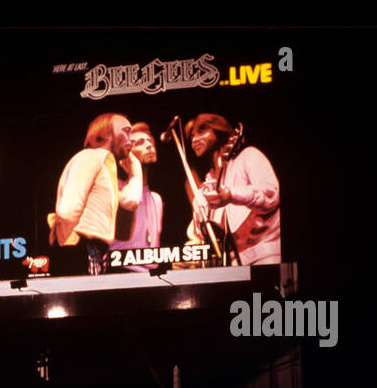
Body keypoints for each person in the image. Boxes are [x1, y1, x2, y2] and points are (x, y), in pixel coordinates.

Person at [51, 113, 143, 274]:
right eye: (126, 131)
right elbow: (68, 210)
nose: (132, 138)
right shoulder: (91, 157)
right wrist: (72, 241)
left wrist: (135, 174)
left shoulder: (105, 165)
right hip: (79, 248)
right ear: (105, 134)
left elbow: (130, 203)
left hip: (94, 250)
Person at [185, 112, 281, 265]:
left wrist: (231, 195)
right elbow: (203, 237)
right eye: (191, 136)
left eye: (201, 130)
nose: (195, 139)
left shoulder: (248, 157)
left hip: (266, 257)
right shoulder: (205, 188)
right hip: (233, 266)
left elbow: (271, 194)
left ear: (219, 129)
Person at [109, 122, 165, 271]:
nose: (148, 145)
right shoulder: (115, 188)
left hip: (151, 277)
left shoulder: (156, 199)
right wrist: (134, 170)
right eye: (139, 143)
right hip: (120, 273)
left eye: (150, 141)